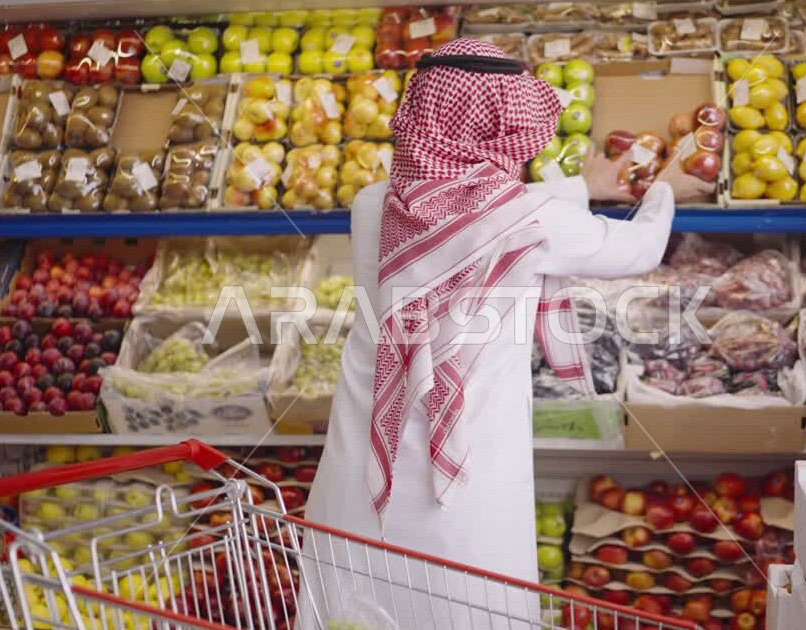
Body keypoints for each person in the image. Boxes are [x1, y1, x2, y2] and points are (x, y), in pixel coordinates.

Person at [294, 39, 715, 629]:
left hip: (363, 466)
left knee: (358, 605)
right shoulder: (528, 221)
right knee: (463, 605)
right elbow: (638, 248)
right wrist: (666, 184)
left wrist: (580, 187)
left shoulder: (373, 206)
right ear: (498, 126)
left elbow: (468, 209)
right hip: (466, 481)